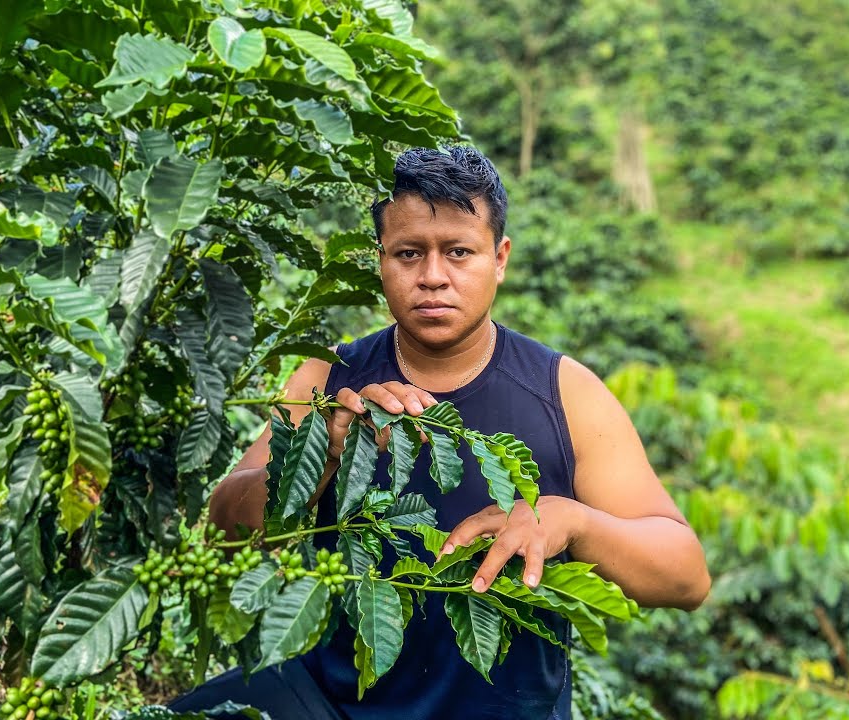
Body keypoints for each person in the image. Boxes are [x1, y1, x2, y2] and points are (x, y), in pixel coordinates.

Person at [170, 146, 711, 719]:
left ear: (499, 258)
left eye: (458, 252)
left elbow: (685, 577)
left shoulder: (564, 392)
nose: (432, 277)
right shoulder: (328, 376)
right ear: (380, 260)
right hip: (330, 702)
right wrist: (322, 451)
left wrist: (574, 522)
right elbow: (223, 533)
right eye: (409, 253)